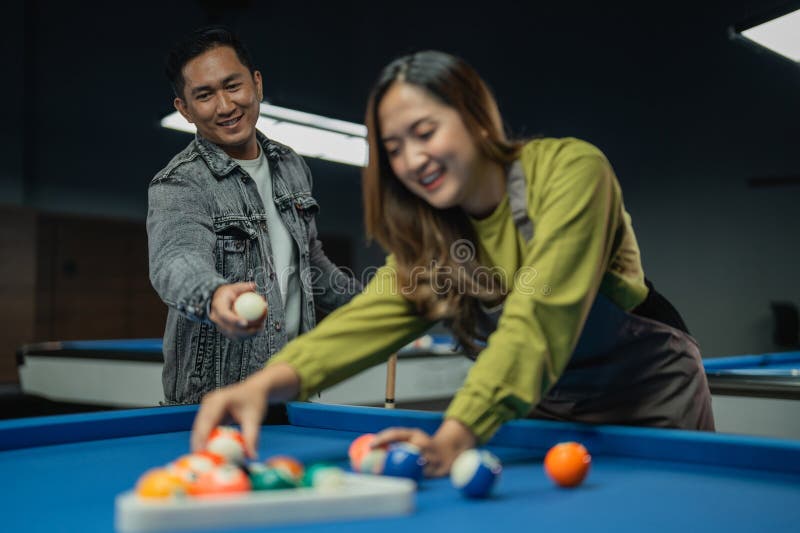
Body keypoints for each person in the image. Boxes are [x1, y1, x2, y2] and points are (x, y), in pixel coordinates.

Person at [190, 50, 715, 475]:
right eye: (394, 148)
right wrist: (263, 383)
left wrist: (453, 435)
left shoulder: (570, 170)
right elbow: (357, 327)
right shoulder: (433, 238)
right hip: (540, 405)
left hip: (650, 396)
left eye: (425, 132)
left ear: (475, 119)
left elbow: (541, 315)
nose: (413, 160)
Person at [147, 26, 360, 405]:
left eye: (233, 86)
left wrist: (375, 306)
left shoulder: (291, 165)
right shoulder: (180, 183)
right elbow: (175, 260)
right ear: (185, 109)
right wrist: (214, 296)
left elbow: (309, 263)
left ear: (257, 84)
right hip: (215, 402)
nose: (225, 106)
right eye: (205, 95)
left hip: (294, 391)